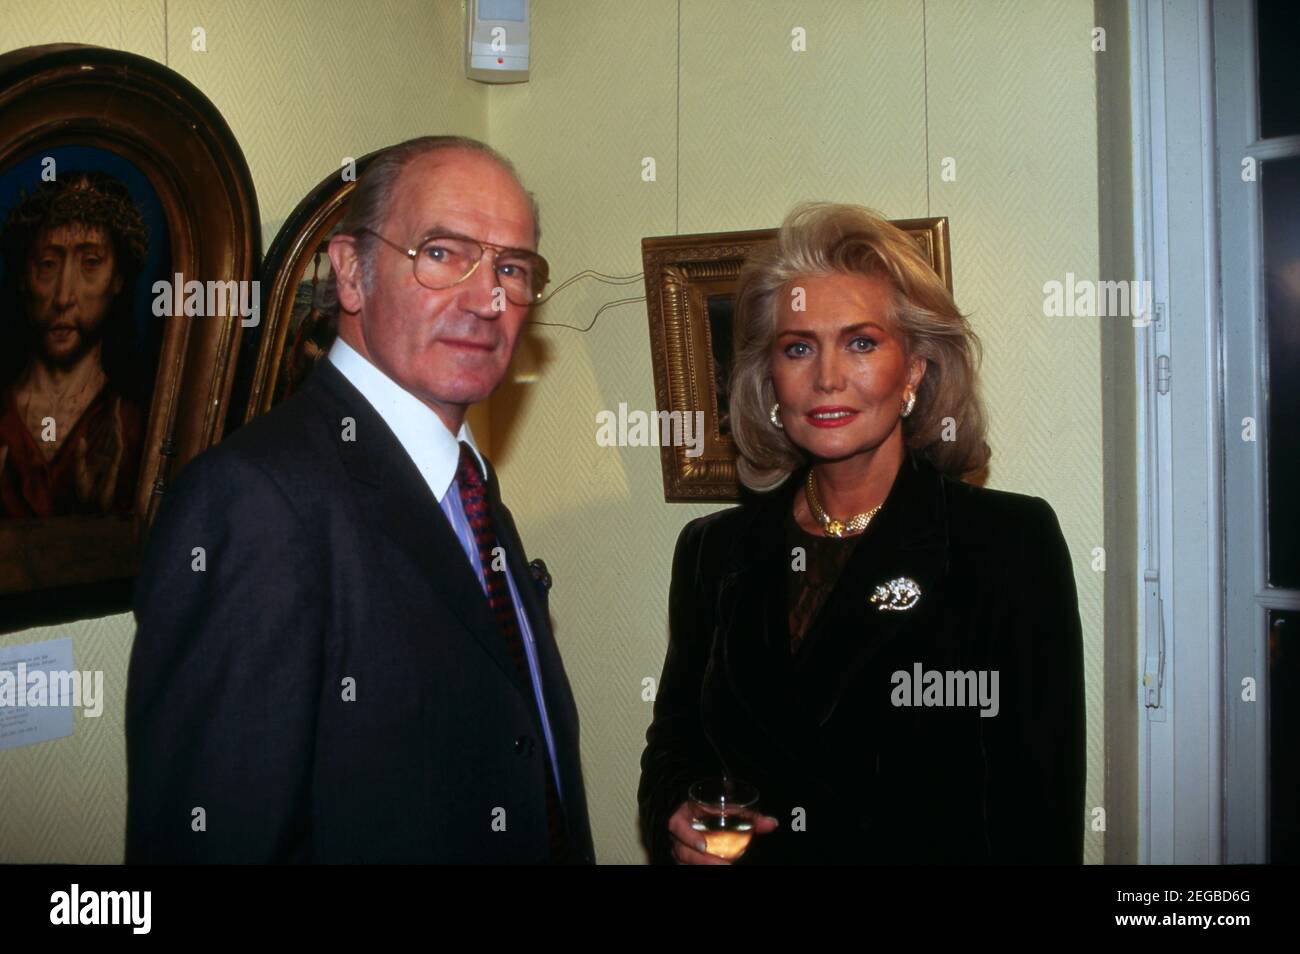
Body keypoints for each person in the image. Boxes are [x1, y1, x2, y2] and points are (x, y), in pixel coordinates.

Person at [126, 136, 594, 864]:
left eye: (512, 267)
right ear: (350, 273)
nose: (487, 299)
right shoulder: (255, 503)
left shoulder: (468, 490)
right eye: (443, 253)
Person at [638, 203, 1085, 864]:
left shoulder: (1006, 545)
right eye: (798, 348)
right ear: (769, 381)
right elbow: (676, 742)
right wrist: (678, 815)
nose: (826, 378)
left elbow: (1038, 813)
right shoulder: (712, 551)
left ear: (914, 369)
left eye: (861, 342)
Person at [0, 171, 148, 518]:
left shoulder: (132, 425)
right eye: (48, 264)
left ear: (118, 279)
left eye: (91, 263)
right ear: (24, 276)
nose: (64, 296)